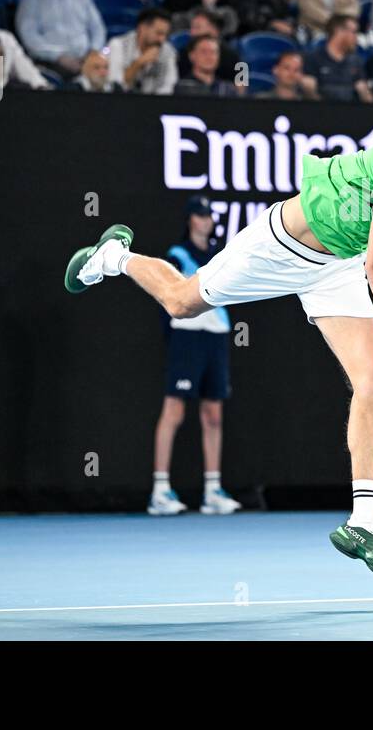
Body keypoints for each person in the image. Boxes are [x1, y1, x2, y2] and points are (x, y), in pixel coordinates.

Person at [62, 76, 373, 582]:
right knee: (181, 301)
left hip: (337, 265)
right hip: (280, 247)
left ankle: (364, 521)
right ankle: (115, 256)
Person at [148, 194, 243, 516]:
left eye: (208, 216)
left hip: (215, 336)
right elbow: (167, 297)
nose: (205, 220)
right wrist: (171, 335)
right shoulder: (176, 255)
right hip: (185, 337)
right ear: (190, 220)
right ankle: (160, 490)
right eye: (200, 215)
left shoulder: (219, 256)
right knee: (174, 410)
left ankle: (212, 490)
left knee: (213, 414)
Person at [303, 13, 373, 101]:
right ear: (339, 31)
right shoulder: (314, 58)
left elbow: (365, 94)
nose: (356, 38)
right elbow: (309, 93)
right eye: (354, 32)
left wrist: (365, 93)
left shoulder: (356, 61)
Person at [108, 6, 178, 93]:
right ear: (142, 28)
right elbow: (115, 85)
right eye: (159, 33)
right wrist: (138, 63)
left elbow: (169, 87)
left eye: (165, 35)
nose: (162, 39)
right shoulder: (118, 45)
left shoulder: (168, 51)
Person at [175, 33, 241, 96]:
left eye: (213, 52)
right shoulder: (182, 87)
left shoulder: (227, 89)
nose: (209, 57)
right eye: (204, 51)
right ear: (192, 55)